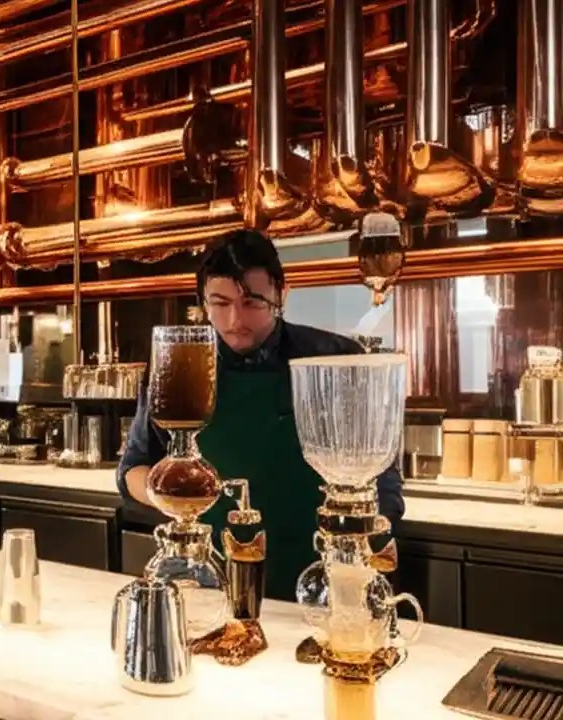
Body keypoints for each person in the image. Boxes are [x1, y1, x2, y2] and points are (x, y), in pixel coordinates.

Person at [116, 229, 405, 600]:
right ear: (203, 302)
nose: (235, 318)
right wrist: (172, 498)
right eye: (220, 303)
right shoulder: (178, 365)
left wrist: (362, 548)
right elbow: (133, 470)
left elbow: (384, 478)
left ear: (282, 294)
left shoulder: (334, 357)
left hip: (324, 575)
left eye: (252, 302)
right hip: (209, 579)